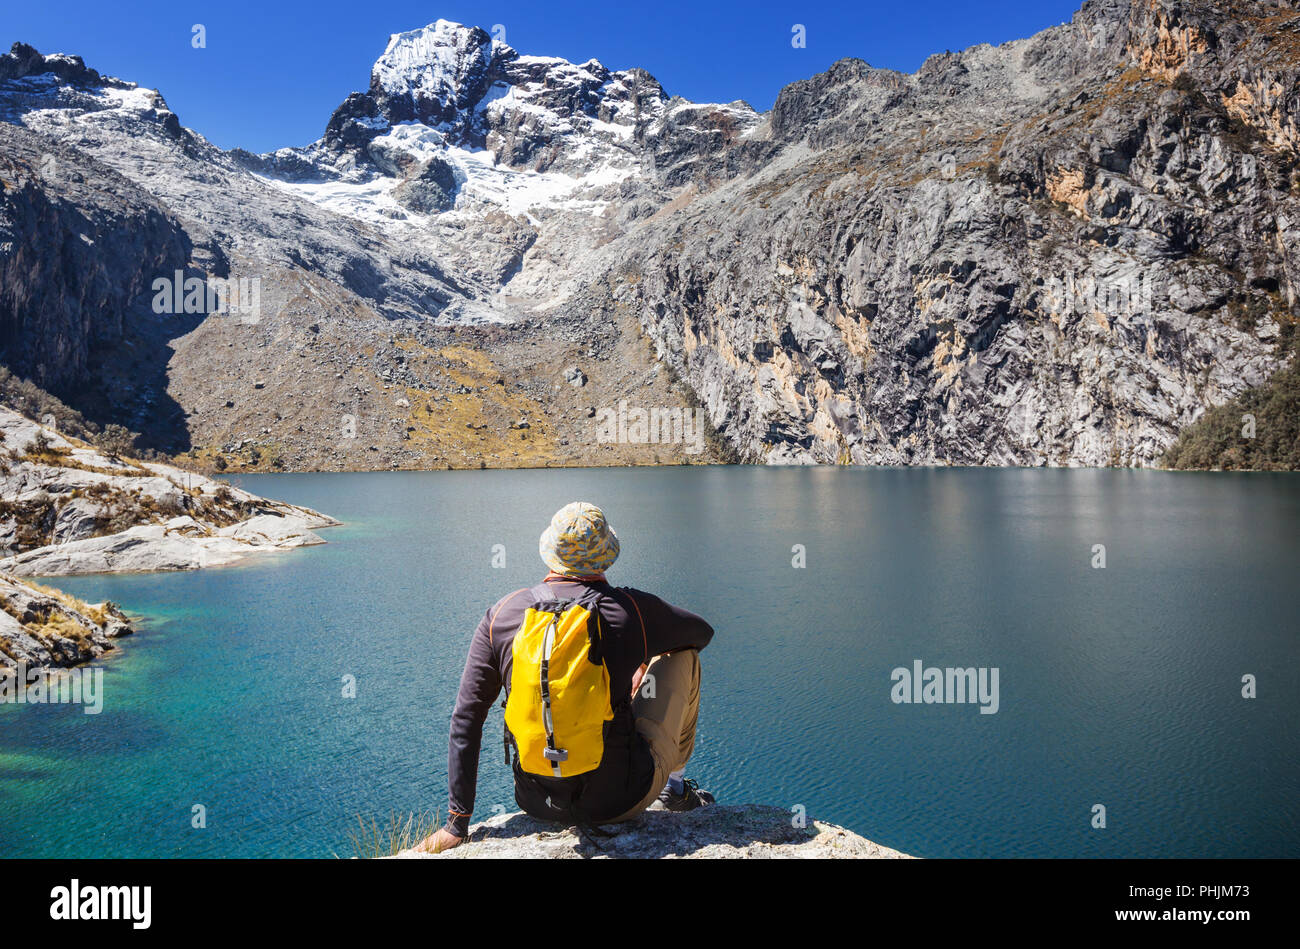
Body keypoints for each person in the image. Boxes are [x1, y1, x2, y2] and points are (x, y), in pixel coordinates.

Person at [419, 501, 714, 854]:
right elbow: (701, 633)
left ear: (550, 554)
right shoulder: (628, 610)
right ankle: (673, 787)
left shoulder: (503, 614)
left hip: (538, 803)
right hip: (618, 801)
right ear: (607, 556)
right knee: (682, 656)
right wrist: (642, 655)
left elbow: (467, 716)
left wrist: (457, 822)